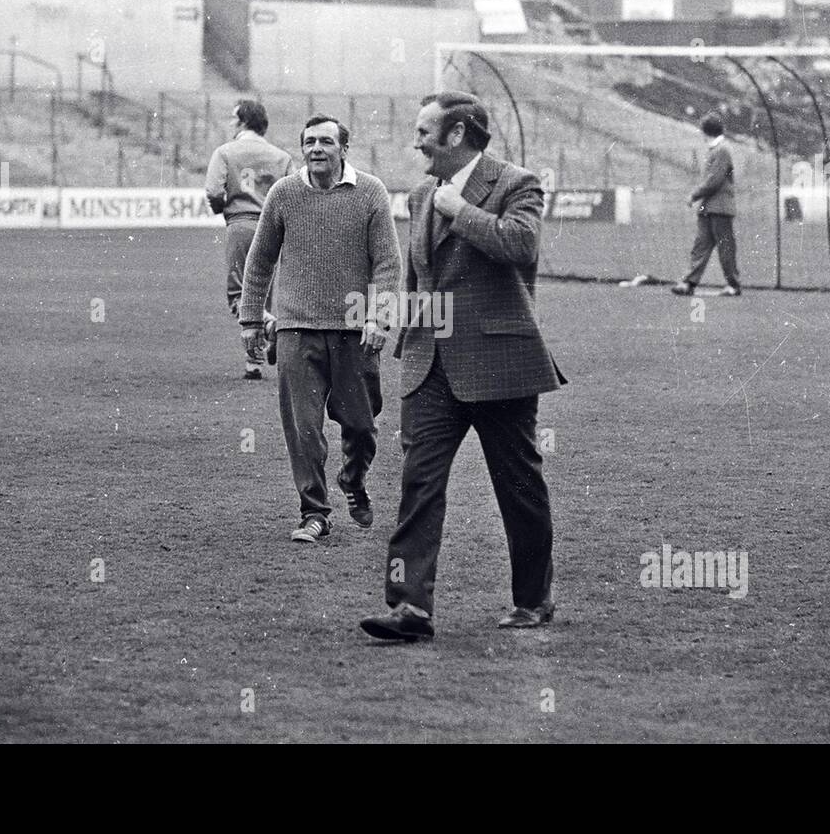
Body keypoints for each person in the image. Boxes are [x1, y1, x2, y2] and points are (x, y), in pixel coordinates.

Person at [359, 91, 566, 642]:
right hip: (430, 364)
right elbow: (416, 277)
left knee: (518, 487)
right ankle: (410, 609)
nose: (416, 141)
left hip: (500, 364)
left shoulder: (516, 183)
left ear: (455, 136)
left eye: (425, 131)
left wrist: (463, 212)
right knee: (417, 485)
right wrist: (390, 328)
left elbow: (521, 245)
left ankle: (533, 600)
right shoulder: (422, 192)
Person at [238, 116, 401, 543]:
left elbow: (387, 263)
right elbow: (258, 262)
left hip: (354, 330)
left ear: (344, 149)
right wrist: (251, 319)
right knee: (303, 427)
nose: (316, 149)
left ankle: (354, 478)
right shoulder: (284, 193)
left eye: (326, 142)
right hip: (295, 329)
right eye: (309, 141)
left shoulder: (370, 192)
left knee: (362, 428)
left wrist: (379, 316)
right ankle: (315, 513)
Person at [205, 99, 295, 379]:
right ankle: (253, 362)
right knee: (263, 292)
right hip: (272, 228)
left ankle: (271, 329)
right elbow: (293, 195)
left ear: (243, 121)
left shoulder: (225, 152)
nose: (231, 124)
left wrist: (223, 209)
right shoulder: (281, 157)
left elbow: (213, 191)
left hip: (241, 223)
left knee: (239, 295)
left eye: (234, 119)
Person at [670, 113, 741, 297]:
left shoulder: (722, 150)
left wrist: (694, 195)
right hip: (708, 208)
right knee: (700, 246)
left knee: (725, 249)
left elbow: (714, 181)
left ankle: (733, 285)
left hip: (720, 208)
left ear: (705, 131)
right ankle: (688, 283)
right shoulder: (715, 150)